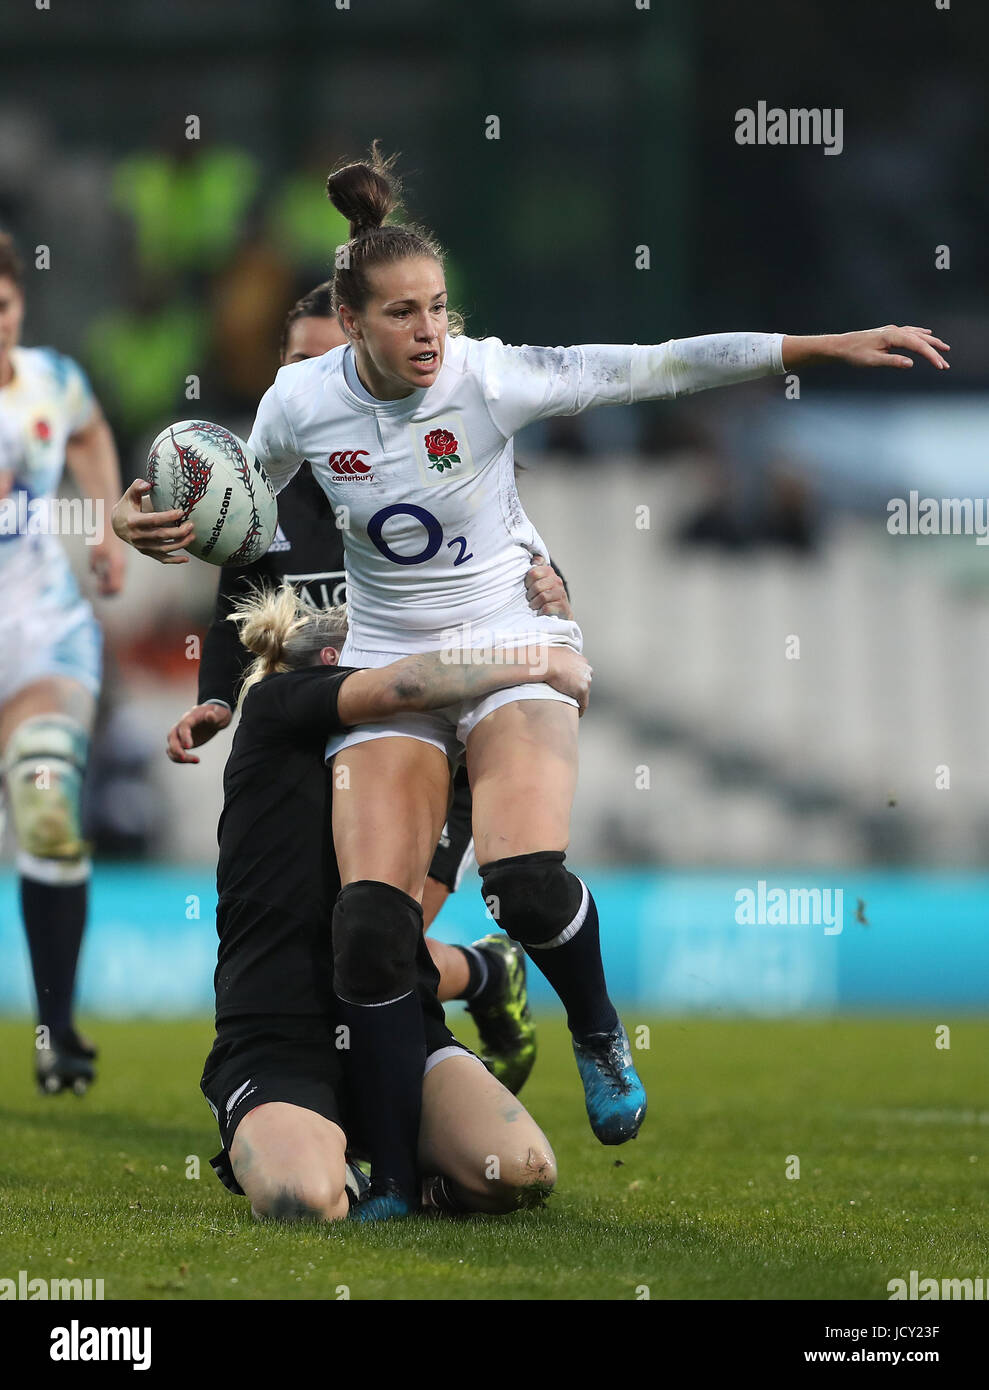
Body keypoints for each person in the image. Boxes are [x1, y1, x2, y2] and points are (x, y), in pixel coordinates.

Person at [240, 146, 949, 1213]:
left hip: (507, 638)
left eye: (438, 307)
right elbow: (242, 517)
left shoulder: (489, 376)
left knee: (521, 883)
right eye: (401, 314)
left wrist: (824, 344)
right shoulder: (298, 400)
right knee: (369, 933)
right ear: (351, 323)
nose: (429, 330)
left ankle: (595, 1029)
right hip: (393, 661)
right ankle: (389, 1179)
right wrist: (153, 527)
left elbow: (658, 363)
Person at [112, 281, 573, 1093]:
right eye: (295, 361)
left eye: (328, 360)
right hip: (313, 746)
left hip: (425, 742)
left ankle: (442, 1036)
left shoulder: (431, 482)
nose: (311, 380)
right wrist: (218, 699)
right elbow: (239, 608)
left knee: (380, 941)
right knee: (348, 945)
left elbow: (517, 568)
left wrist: (551, 593)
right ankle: (471, 987)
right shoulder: (260, 502)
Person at [201, 582, 591, 1221]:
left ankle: (398, 1152)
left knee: (522, 1173)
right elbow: (405, 684)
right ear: (336, 662)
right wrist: (544, 657)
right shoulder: (277, 705)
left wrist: (558, 626)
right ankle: (326, 1156)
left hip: (395, 1023)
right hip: (277, 1036)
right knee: (303, 1198)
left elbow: (523, 720)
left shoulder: (413, 743)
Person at [0, 232, 128, 1095]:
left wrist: (107, 521)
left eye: (2, 307)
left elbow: (87, 428)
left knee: (44, 805)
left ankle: (59, 1026)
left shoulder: (51, 379)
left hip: (44, 631)